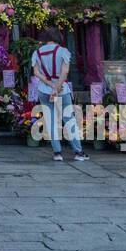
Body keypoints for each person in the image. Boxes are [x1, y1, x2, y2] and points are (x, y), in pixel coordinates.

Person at [31, 26, 87, 162]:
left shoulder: (37, 53)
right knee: (69, 119)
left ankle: (57, 153)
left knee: (50, 120)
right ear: (59, 37)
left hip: (44, 90)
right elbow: (65, 71)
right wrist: (57, 87)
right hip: (62, 89)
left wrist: (50, 86)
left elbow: (36, 73)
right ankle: (78, 152)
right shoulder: (63, 51)